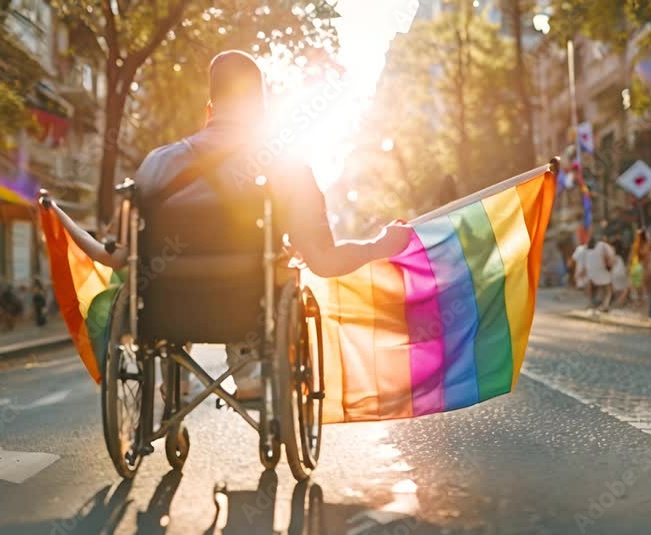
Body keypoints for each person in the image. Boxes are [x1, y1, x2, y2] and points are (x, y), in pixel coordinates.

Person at [44, 50, 413, 400]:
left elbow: (114, 258)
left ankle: (179, 377)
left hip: (166, 312)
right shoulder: (286, 168)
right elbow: (323, 261)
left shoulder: (157, 164)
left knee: (165, 270)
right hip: (247, 307)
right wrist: (380, 244)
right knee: (280, 266)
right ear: (262, 112)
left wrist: (56, 216)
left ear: (209, 110)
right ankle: (247, 363)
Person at [583, 236, 615, 313]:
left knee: (596, 287)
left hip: (592, 273)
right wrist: (609, 267)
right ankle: (605, 305)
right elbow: (608, 258)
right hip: (601, 271)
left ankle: (591, 303)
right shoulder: (604, 246)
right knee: (608, 289)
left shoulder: (588, 249)